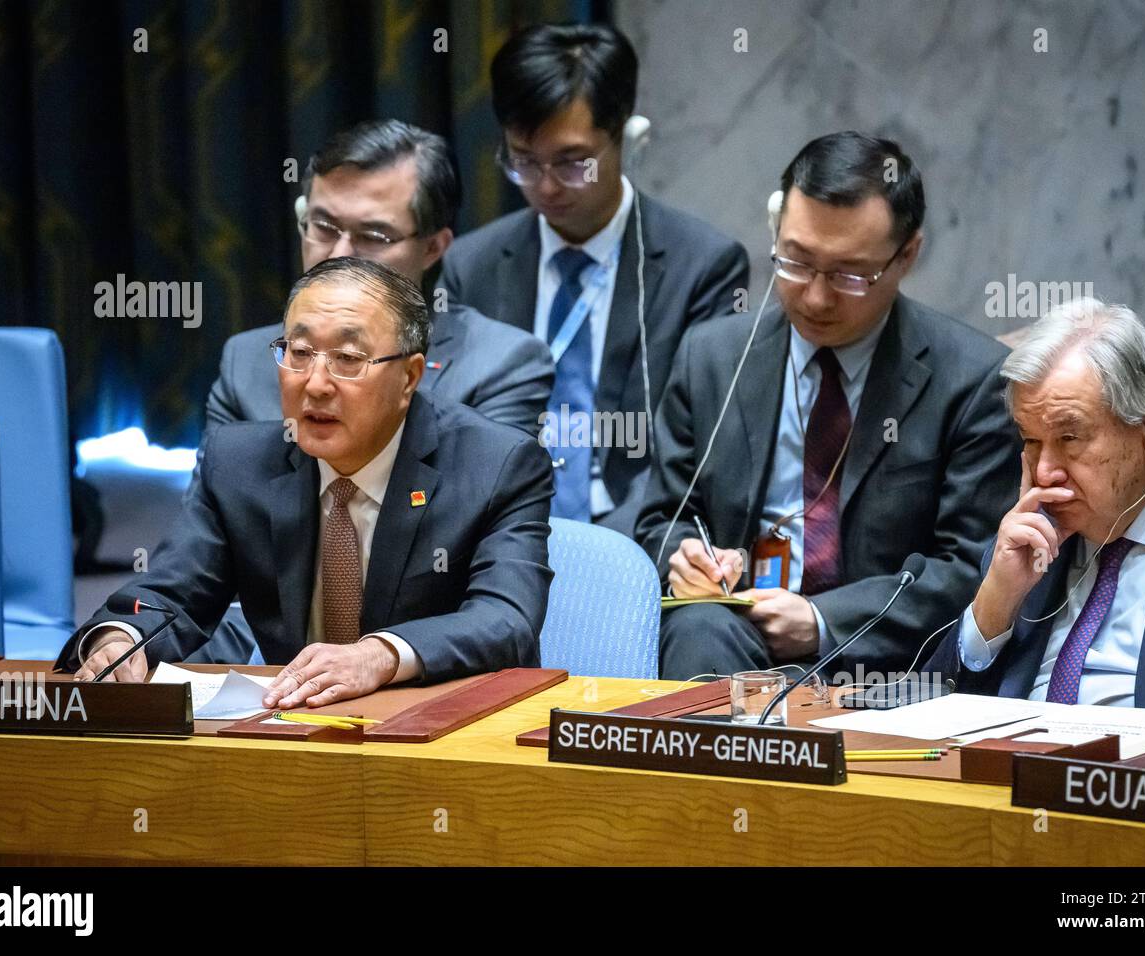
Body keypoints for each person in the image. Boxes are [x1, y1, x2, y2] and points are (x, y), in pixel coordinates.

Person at [58, 257, 554, 707]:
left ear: (409, 378)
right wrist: (121, 638)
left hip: (442, 732)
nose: (315, 383)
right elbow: (173, 596)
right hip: (298, 734)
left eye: (348, 359)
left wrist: (379, 655)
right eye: (299, 352)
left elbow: (505, 619)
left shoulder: (497, 465)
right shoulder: (237, 463)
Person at [637, 131, 1019, 681]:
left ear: (906, 255)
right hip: (731, 632)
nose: (816, 297)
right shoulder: (712, 357)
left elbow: (969, 568)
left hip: (880, 664)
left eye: (849, 275)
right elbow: (659, 519)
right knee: (697, 629)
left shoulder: (971, 379)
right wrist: (687, 558)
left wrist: (822, 619)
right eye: (795, 262)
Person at [440, 23, 748, 535]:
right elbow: (454, 433)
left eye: (571, 163)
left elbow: (700, 446)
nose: (545, 186)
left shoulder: (704, 266)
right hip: (500, 534)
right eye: (523, 161)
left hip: (641, 530)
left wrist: (608, 552)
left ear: (627, 138)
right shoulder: (472, 266)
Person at [925, 298, 1145, 710]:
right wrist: (997, 600)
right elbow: (933, 710)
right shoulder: (1026, 539)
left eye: (1070, 438)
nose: (1044, 473)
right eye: (1031, 441)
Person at [207, 119, 553, 436]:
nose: (339, 255)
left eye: (373, 237)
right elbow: (218, 502)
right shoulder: (246, 365)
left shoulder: (498, 367)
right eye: (324, 227)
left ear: (433, 247)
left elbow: (477, 502)